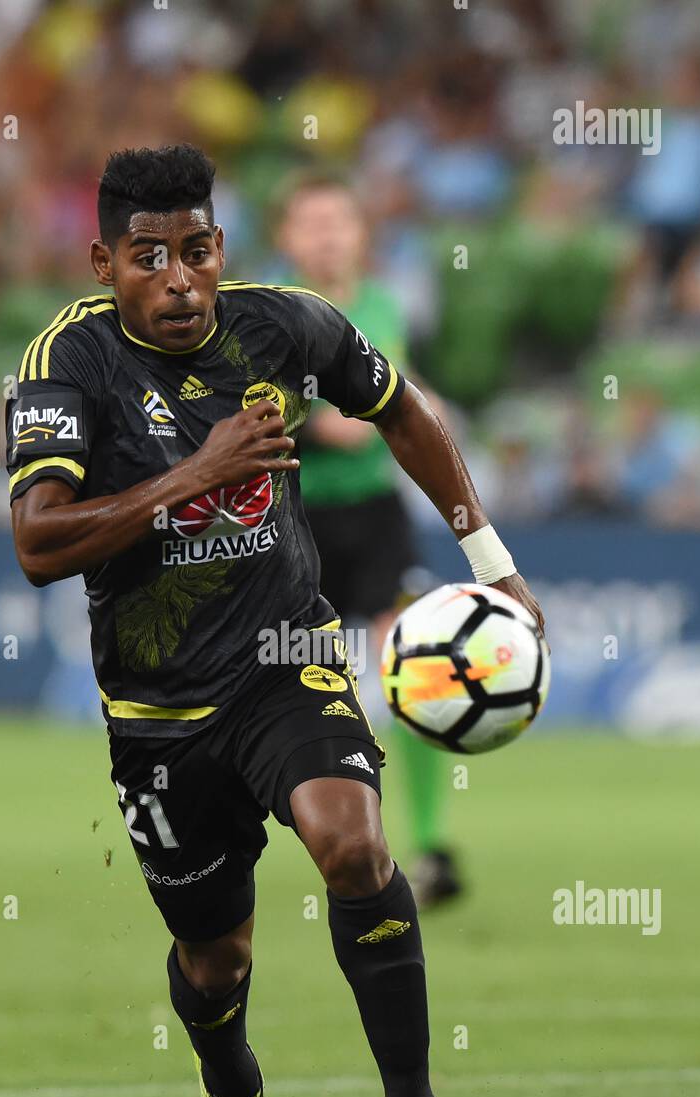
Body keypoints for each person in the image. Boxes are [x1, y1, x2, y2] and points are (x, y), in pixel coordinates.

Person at [6, 144, 544, 1097]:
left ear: (220, 249)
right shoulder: (65, 363)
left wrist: (491, 561)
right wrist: (200, 472)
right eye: (149, 258)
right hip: (157, 712)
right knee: (215, 958)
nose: (179, 281)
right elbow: (38, 540)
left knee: (352, 844)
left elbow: (400, 406)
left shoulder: (285, 324)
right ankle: (233, 1088)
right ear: (104, 259)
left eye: (197, 252)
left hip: (283, 665)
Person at [273, 169, 463, 905]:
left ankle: (432, 848)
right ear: (287, 238)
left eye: (337, 221)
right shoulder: (274, 311)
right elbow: (356, 416)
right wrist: (388, 410)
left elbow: (382, 401)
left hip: (377, 516)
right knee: (295, 686)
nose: (325, 235)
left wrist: (395, 404)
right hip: (295, 517)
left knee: (412, 668)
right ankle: (334, 842)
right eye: (310, 222)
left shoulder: (381, 304)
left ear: (360, 234)